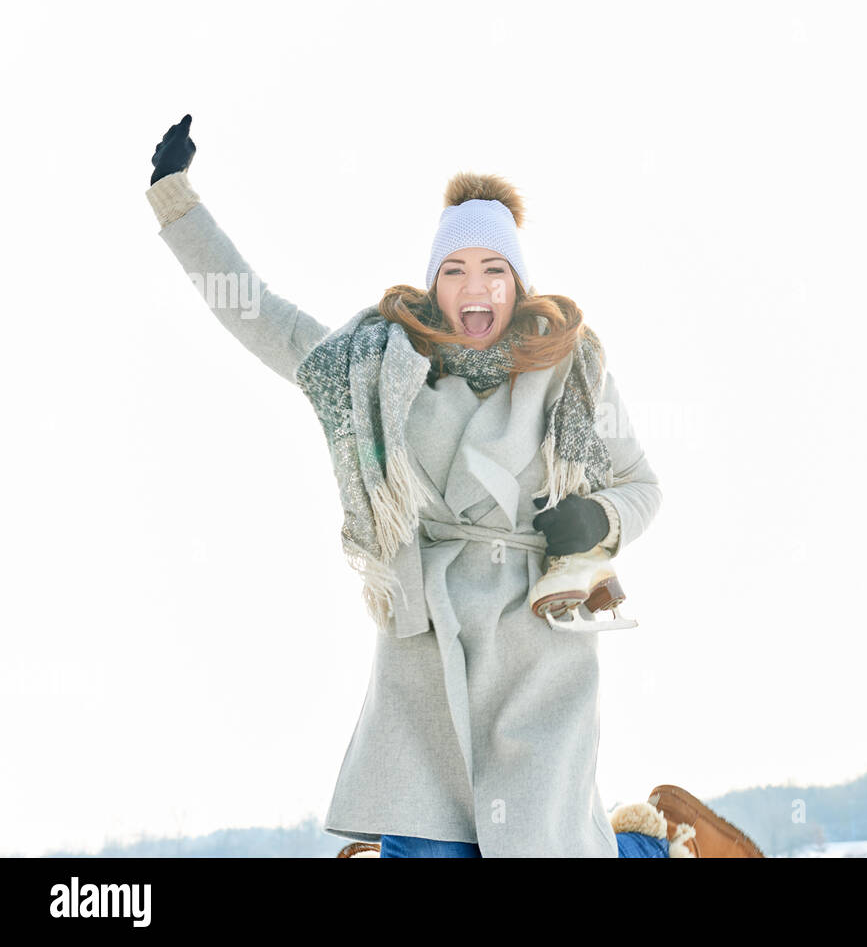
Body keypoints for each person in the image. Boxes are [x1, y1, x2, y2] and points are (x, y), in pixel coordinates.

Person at [145, 114, 763, 858]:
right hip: (424, 647)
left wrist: (597, 515)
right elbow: (265, 318)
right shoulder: (373, 371)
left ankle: (666, 848)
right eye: (456, 270)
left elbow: (643, 486)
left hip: (535, 655)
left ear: (516, 282)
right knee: (431, 847)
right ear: (435, 283)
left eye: (493, 270)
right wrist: (179, 205)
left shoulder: (569, 370)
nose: (476, 287)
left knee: (544, 849)